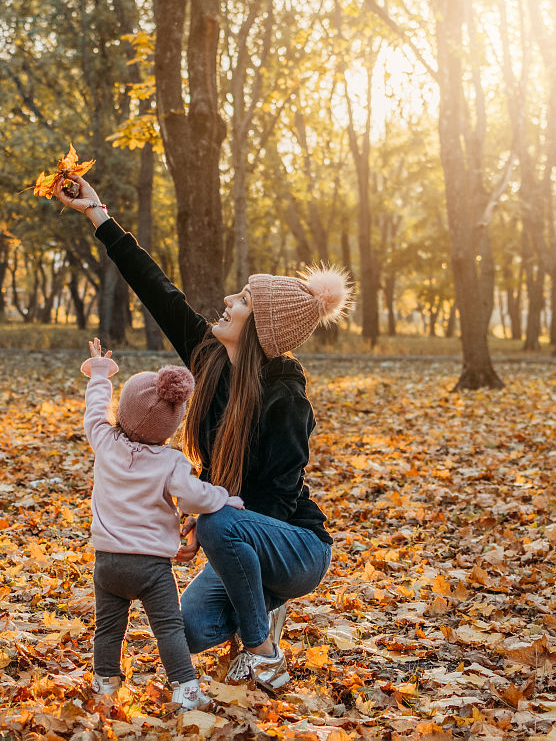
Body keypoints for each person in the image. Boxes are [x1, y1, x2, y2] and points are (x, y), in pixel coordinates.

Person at [59, 175, 351, 694]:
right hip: (236, 535)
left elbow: (277, 501)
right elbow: (156, 288)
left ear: (260, 326)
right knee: (190, 631)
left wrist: (203, 525)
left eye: (241, 300)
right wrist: (97, 215)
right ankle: (254, 610)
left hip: (296, 548)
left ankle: (262, 646)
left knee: (218, 525)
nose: (227, 300)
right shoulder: (209, 358)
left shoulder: (286, 402)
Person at [81, 337, 244, 711]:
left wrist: (101, 372)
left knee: (109, 628)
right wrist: (224, 498)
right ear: (171, 424)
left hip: (108, 562)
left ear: (123, 410)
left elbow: (93, 411)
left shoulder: (105, 441)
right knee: (168, 628)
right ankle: (185, 689)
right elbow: (193, 497)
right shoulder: (171, 461)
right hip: (152, 568)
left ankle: (105, 683)